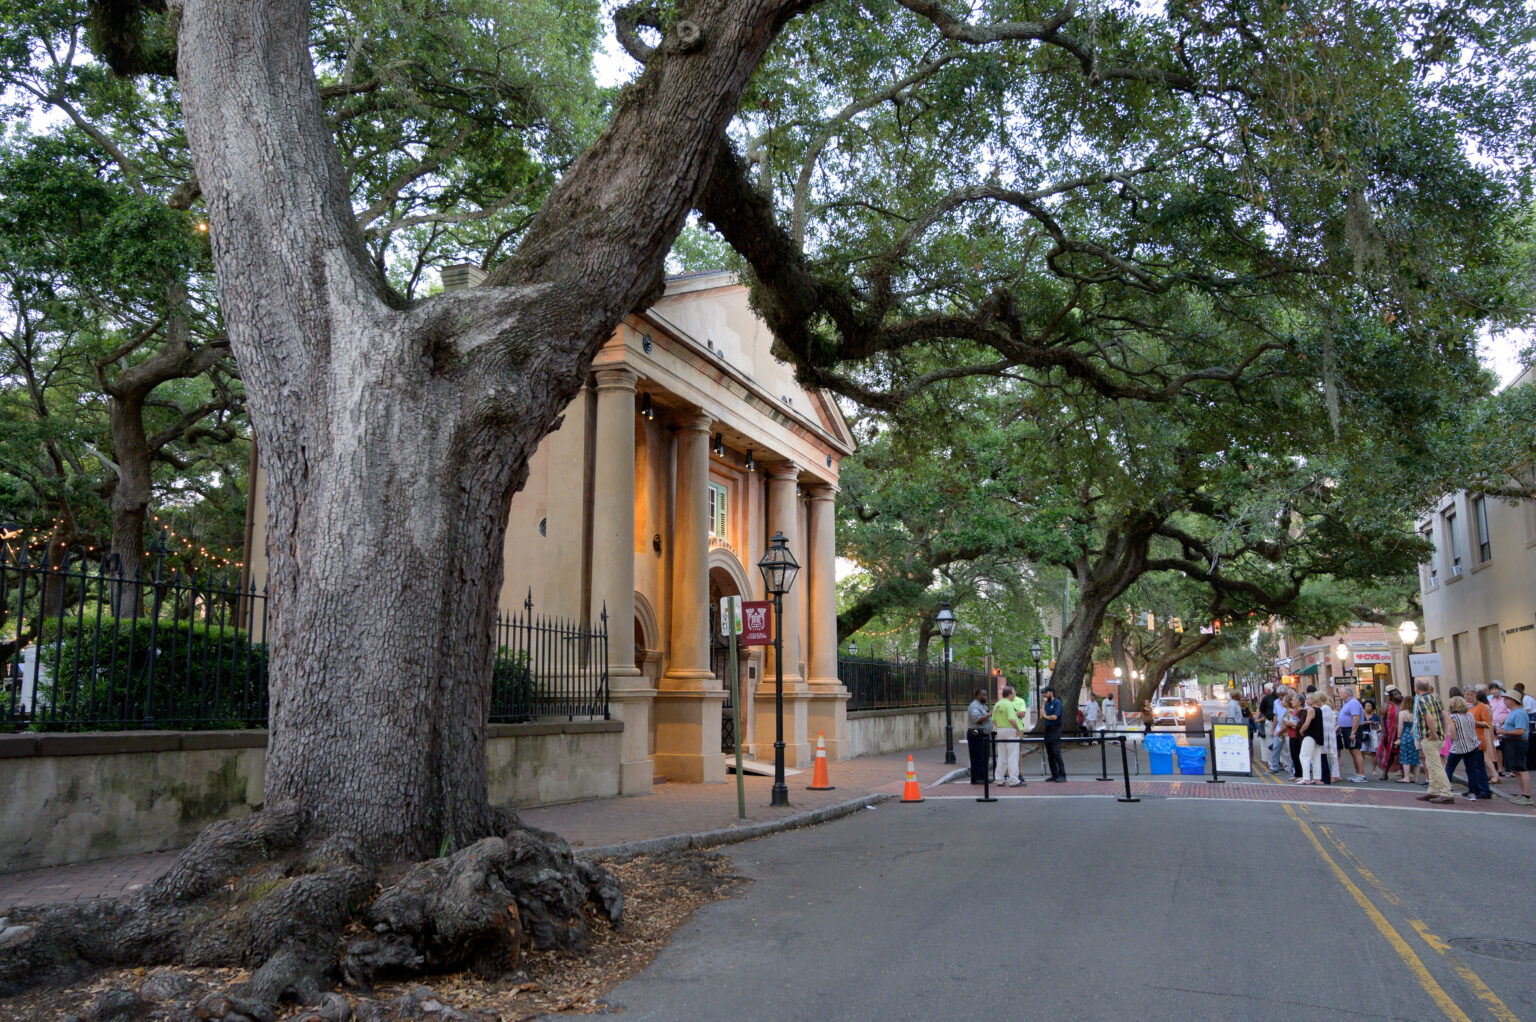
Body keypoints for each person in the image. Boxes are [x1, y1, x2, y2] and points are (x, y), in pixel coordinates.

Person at [1413, 680, 1455, 804]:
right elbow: (1444, 714)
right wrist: (1444, 731)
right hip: (1440, 736)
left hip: (1429, 736)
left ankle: (1446, 792)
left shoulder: (1421, 700)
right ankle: (1433, 790)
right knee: (1431, 764)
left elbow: (1429, 718)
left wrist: (1434, 733)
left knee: (1435, 766)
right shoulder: (1435, 698)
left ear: (1416, 688)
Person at [1444, 696, 1492, 800]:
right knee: (1471, 770)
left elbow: (1452, 734)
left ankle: (1446, 792)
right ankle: (1472, 793)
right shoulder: (1470, 715)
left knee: (1449, 769)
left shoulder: (1453, 717)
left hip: (1458, 747)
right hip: (1472, 745)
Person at [1494, 690, 1531, 805]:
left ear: (1512, 700)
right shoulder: (1514, 712)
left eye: (1507, 699)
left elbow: (1520, 731)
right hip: (1511, 742)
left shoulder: (1519, 713)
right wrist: (1503, 735)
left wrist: (1502, 731)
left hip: (1518, 742)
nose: (1505, 701)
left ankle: (1527, 795)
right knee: (1516, 769)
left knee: (1521, 769)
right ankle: (1523, 794)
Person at [991, 686, 1024, 786]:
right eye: (1013, 694)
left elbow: (993, 720)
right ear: (1009, 694)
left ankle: (999, 779)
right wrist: (1017, 730)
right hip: (1010, 730)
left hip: (1000, 730)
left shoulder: (997, 704)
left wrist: (1000, 727)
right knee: (1013, 755)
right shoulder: (1009, 704)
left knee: (1002, 755)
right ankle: (1014, 780)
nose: (1014, 695)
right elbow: (1012, 719)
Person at [1337, 685, 1367, 782]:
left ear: (1347, 694)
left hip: (1353, 729)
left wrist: (1353, 732)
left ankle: (1361, 775)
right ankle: (1357, 773)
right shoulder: (1347, 703)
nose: (1339, 694)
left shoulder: (1353, 703)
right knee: (1351, 750)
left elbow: (1356, 717)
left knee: (1356, 751)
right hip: (1347, 729)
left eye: (1341, 693)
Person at [1297, 691, 1325, 784]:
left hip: (1310, 735)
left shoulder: (1311, 710)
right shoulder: (1320, 710)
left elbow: (1307, 723)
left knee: (1304, 756)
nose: (1306, 701)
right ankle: (1317, 778)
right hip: (1318, 736)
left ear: (1313, 700)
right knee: (1316, 758)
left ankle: (1306, 778)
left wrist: (1301, 730)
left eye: (1308, 699)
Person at [966, 688, 992, 785]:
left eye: (985, 695)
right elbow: (977, 719)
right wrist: (989, 714)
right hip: (976, 732)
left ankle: (983, 776)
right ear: (977, 695)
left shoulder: (982, 705)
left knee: (984, 756)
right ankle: (976, 777)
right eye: (983, 695)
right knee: (978, 756)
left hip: (984, 733)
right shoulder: (974, 706)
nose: (985, 697)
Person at [1041, 685, 1066, 781]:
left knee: (1056, 753)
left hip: (1055, 729)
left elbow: (1055, 716)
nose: (1045, 695)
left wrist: (1046, 716)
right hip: (1047, 730)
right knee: (1050, 754)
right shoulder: (1046, 703)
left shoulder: (1057, 703)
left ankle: (1062, 774)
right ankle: (1054, 774)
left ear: (1051, 692)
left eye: (1046, 693)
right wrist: (1043, 704)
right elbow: (1041, 716)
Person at [1472, 690, 1497, 784]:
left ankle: (1494, 775)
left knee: (1486, 755)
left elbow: (1485, 721)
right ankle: (1490, 774)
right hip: (1486, 731)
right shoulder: (1485, 707)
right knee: (1485, 755)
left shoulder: (1484, 707)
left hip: (1484, 732)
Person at [1376, 689, 1401, 781]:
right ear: (1391, 696)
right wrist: (1384, 732)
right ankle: (1385, 773)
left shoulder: (1403, 705)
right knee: (1391, 753)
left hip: (1401, 733)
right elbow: (1381, 718)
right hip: (1390, 734)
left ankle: (1404, 773)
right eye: (1396, 694)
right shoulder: (1387, 705)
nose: (1398, 696)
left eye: (1399, 694)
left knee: (1403, 753)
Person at [1397, 693, 1421, 784]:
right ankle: (1416, 778)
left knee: (1405, 756)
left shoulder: (1402, 713)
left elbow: (1400, 726)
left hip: (1406, 736)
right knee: (1416, 757)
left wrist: (1399, 737)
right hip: (1415, 736)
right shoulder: (1416, 713)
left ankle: (1406, 777)